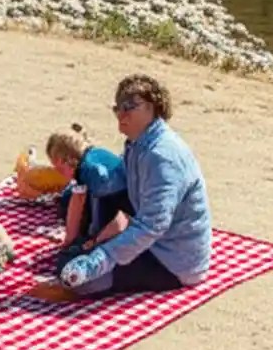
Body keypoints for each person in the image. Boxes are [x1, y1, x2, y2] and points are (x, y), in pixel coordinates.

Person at [29, 75, 212, 301]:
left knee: (77, 276)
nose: (121, 114)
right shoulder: (138, 144)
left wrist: (99, 258)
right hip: (156, 244)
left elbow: (152, 226)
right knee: (73, 259)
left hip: (174, 260)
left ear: (151, 108)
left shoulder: (162, 156)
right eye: (118, 108)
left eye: (129, 107)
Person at [36, 124, 128, 253]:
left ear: (64, 161)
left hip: (123, 213)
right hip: (120, 202)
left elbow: (99, 210)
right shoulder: (94, 155)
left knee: (73, 255)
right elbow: (77, 198)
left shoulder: (91, 171)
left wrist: (90, 240)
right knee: (67, 200)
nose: (58, 173)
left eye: (59, 169)